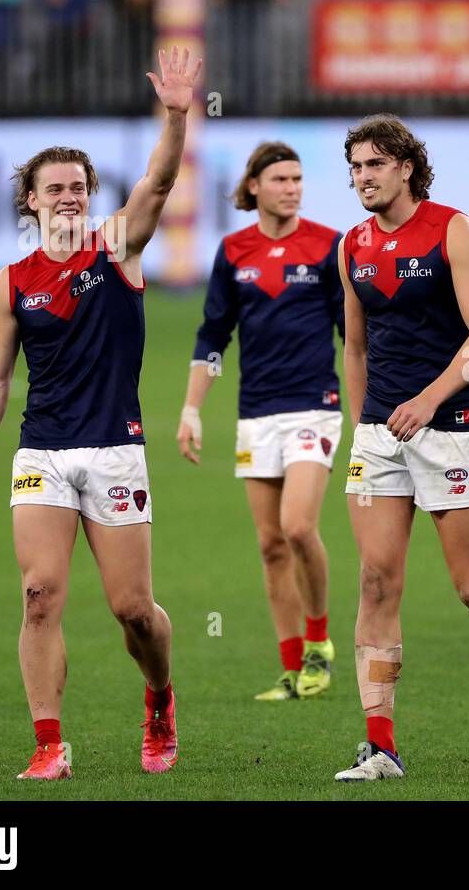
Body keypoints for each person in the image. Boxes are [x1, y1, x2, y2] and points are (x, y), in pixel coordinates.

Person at [0, 47, 202, 778]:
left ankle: (159, 696)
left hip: (115, 449)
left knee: (133, 610)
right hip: (43, 454)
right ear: (29, 200)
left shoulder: (115, 249)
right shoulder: (13, 282)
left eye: (78, 186)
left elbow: (158, 180)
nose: (68, 196)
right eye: (53, 187)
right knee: (38, 596)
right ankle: (48, 744)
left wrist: (177, 115)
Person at [333, 114, 469, 780]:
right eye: (354, 168)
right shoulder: (352, 245)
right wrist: (361, 427)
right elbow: (357, 347)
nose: (362, 178)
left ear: (405, 166)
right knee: (375, 582)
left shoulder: (454, 228)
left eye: (374, 164)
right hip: (380, 435)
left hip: (451, 426)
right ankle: (380, 744)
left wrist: (428, 400)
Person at [178, 142, 344, 700]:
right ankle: (293, 669)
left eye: (298, 178)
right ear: (253, 187)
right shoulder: (234, 252)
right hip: (256, 415)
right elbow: (213, 335)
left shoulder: (327, 246)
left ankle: (320, 641)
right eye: (280, 179)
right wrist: (192, 409)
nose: (292, 187)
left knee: (299, 527)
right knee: (271, 545)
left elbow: (356, 334)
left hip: (315, 406)